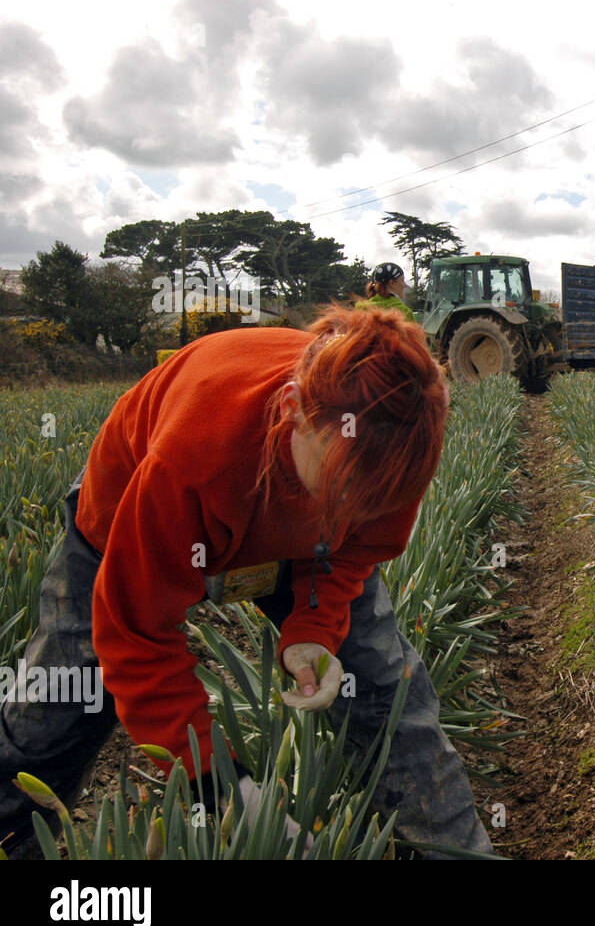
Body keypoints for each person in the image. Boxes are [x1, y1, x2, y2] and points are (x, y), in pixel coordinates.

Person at [0, 303, 494, 858]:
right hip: (134, 517)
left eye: (372, 502)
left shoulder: (398, 447)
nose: (354, 516)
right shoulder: (190, 460)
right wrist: (219, 787)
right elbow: (137, 635)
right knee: (60, 709)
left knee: (385, 690)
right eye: (340, 489)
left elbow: (355, 552)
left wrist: (315, 628)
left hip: (286, 533)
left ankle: (457, 852)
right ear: (292, 411)